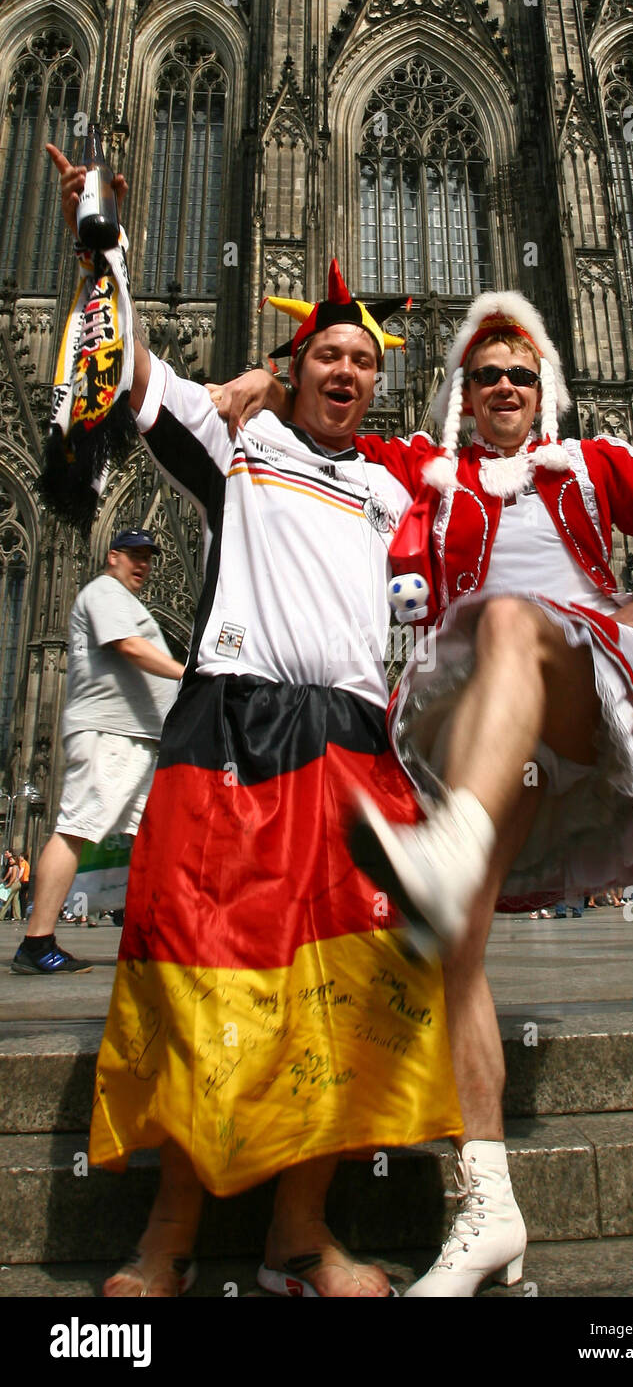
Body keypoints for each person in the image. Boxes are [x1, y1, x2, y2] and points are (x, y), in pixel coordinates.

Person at [46, 143, 460, 1299]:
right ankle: (163, 1245)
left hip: (352, 748)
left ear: (374, 385)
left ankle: (303, 1235)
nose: (343, 370)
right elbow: (127, 375)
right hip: (232, 736)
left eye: (360, 361)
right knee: (196, 978)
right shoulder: (238, 445)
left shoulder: (391, 484)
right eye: (324, 354)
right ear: (289, 367)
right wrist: (100, 226)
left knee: (344, 1002)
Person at [349, 289, 633, 1294]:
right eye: (483, 374)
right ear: (461, 389)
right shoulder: (428, 473)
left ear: (545, 392)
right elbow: (327, 439)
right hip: (486, 716)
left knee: (510, 620)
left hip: (584, 676)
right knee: (460, 950)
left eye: (518, 375)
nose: (500, 388)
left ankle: (445, 847)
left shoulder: (590, 464)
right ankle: (490, 1210)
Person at [11, 529, 184, 974]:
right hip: (109, 735)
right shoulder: (104, 592)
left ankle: (158, 936)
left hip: (139, 739)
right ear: (113, 557)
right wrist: (190, 673)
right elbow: (127, 646)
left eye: (148, 556)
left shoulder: (126, 600)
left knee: (155, 836)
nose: (142, 564)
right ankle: (36, 942)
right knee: (76, 827)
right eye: (134, 555)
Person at [0, 853, 22, 921]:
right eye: (9, 860)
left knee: (7, 900)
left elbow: (13, 877)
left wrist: (9, 884)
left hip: (14, 884)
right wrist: (4, 879)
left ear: (15, 860)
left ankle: (1, 916)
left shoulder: (15, 867)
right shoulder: (15, 867)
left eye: (11, 859)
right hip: (18, 884)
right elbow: (9, 873)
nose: (10, 861)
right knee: (16, 901)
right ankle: (17, 916)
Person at [17, 851, 30, 916]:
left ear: (23, 857)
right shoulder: (27, 863)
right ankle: (23, 914)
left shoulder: (23, 863)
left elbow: (21, 871)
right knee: (23, 897)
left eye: (20, 856)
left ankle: (21, 913)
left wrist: (17, 879)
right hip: (27, 881)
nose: (19, 857)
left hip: (23, 881)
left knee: (21, 897)